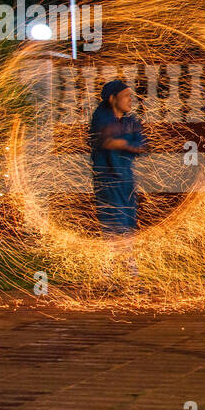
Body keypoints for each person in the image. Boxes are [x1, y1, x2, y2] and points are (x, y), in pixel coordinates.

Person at [89, 78, 147, 283]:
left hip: (126, 181)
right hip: (107, 180)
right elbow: (106, 141)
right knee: (115, 226)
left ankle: (112, 275)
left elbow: (139, 145)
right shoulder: (100, 117)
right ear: (113, 99)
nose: (131, 100)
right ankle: (127, 274)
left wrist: (118, 142)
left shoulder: (130, 121)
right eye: (126, 96)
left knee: (127, 226)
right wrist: (124, 142)